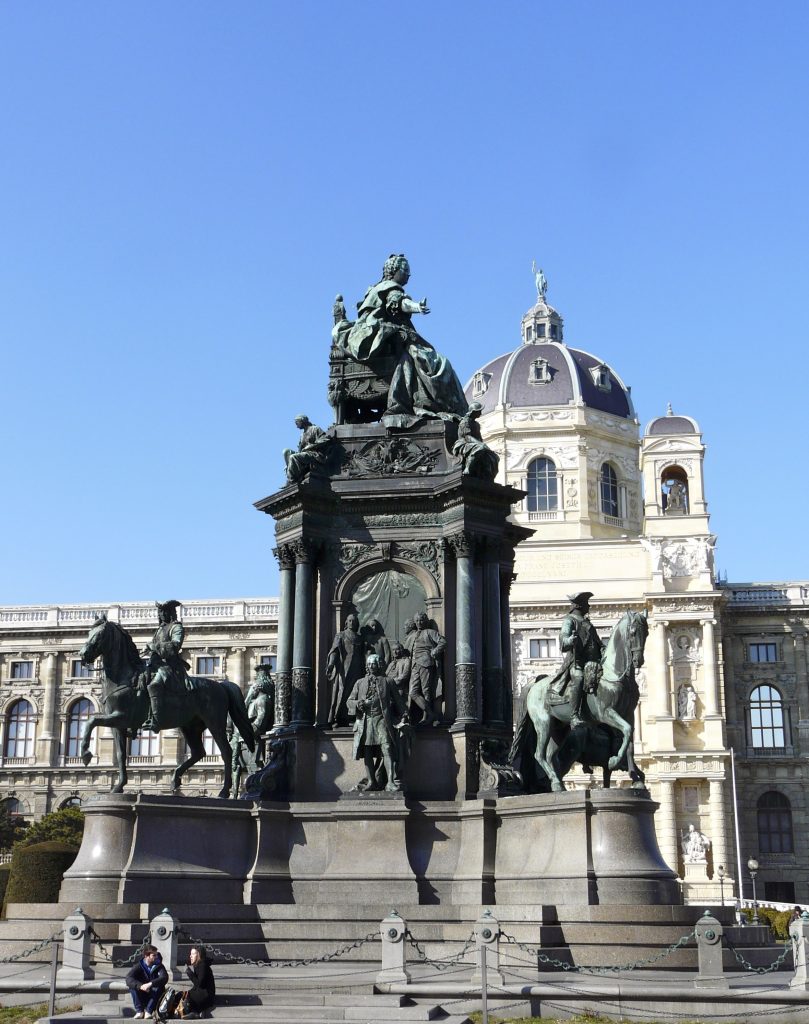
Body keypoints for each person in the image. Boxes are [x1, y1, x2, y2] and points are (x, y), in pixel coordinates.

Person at [335, 254, 468, 428]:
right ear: (393, 271)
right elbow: (398, 303)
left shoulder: (375, 289)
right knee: (437, 364)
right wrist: (417, 307)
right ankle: (429, 402)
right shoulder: (390, 288)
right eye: (405, 270)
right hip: (383, 340)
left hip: (380, 337)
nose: (408, 275)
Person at [347, 654, 409, 792]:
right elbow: (349, 701)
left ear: (380, 665)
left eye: (374, 664)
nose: (371, 666)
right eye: (369, 664)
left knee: (387, 748)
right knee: (368, 752)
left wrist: (404, 714)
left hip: (382, 720)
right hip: (366, 721)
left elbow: (399, 701)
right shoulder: (360, 683)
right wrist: (359, 704)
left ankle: (390, 782)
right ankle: (371, 782)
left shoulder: (388, 681)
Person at [548, 592, 603, 728]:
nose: (589, 606)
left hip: (593, 662)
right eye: (586, 603)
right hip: (576, 662)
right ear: (579, 605)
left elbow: (598, 643)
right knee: (578, 678)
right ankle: (574, 715)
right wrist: (570, 640)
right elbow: (563, 641)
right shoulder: (569, 620)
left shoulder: (587, 623)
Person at [141, 600, 188, 733]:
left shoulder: (176, 627)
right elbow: (154, 645)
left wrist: (154, 646)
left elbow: (175, 645)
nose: (161, 615)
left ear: (170, 613)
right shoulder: (160, 629)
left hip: (170, 666)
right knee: (136, 681)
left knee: (154, 685)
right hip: (155, 664)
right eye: (160, 613)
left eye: (164, 612)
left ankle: (156, 720)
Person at [405, 611, 445, 726]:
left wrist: (435, 651)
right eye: (417, 620)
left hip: (426, 663)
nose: (419, 622)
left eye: (421, 620)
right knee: (413, 692)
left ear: (425, 621)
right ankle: (430, 713)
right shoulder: (413, 635)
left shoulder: (430, 632)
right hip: (414, 665)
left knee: (426, 690)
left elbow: (442, 641)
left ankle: (426, 716)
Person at [326, 613, 366, 727]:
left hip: (358, 669)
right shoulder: (341, 635)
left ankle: (353, 717)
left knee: (356, 692)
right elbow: (334, 651)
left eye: (354, 621)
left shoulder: (359, 638)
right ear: (346, 623)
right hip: (345, 668)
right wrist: (331, 664)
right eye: (349, 621)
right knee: (342, 692)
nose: (352, 623)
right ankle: (337, 717)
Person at [452, 402, 499, 480]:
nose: (480, 412)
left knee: (493, 456)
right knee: (480, 447)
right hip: (463, 443)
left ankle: (487, 475)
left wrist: (485, 446)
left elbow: (479, 438)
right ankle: (468, 468)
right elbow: (467, 436)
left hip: (474, 444)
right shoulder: (465, 421)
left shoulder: (477, 424)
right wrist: (481, 444)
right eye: (479, 411)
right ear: (473, 412)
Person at [283, 414, 334, 483]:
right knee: (286, 452)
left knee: (293, 457)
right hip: (304, 453)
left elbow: (325, 439)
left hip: (315, 454)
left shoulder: (315, 429)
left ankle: (291, 480)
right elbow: (300, 450)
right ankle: (293, 473)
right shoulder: (302, 434)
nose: (296, 425)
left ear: (302, 421)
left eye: (297, 422)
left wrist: (311, 446)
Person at [125, 945, 168, 1018]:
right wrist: (140, 986)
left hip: (155, 996)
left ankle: (148, 1011)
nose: (156, 957)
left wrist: (150, 984)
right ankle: (139, 1011)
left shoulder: (159, 965)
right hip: (143, 994)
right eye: (153, 955)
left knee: (158, 986)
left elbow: (164, 978)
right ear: (146, 956)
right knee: (132, 987)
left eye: (156, 955)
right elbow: (128, 978)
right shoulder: (139, 966)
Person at [182, 945, 216, 1018]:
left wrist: (189, 972)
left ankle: (195, 1013)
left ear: (199, 955)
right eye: (190, 954)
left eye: (193, 954)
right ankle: (195, 1012)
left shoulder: (203, 966)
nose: (190, 956)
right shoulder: (198, 965)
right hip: (203, 992)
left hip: (207, 995)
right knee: (183, 995)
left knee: (187, 997)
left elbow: (200, 984)